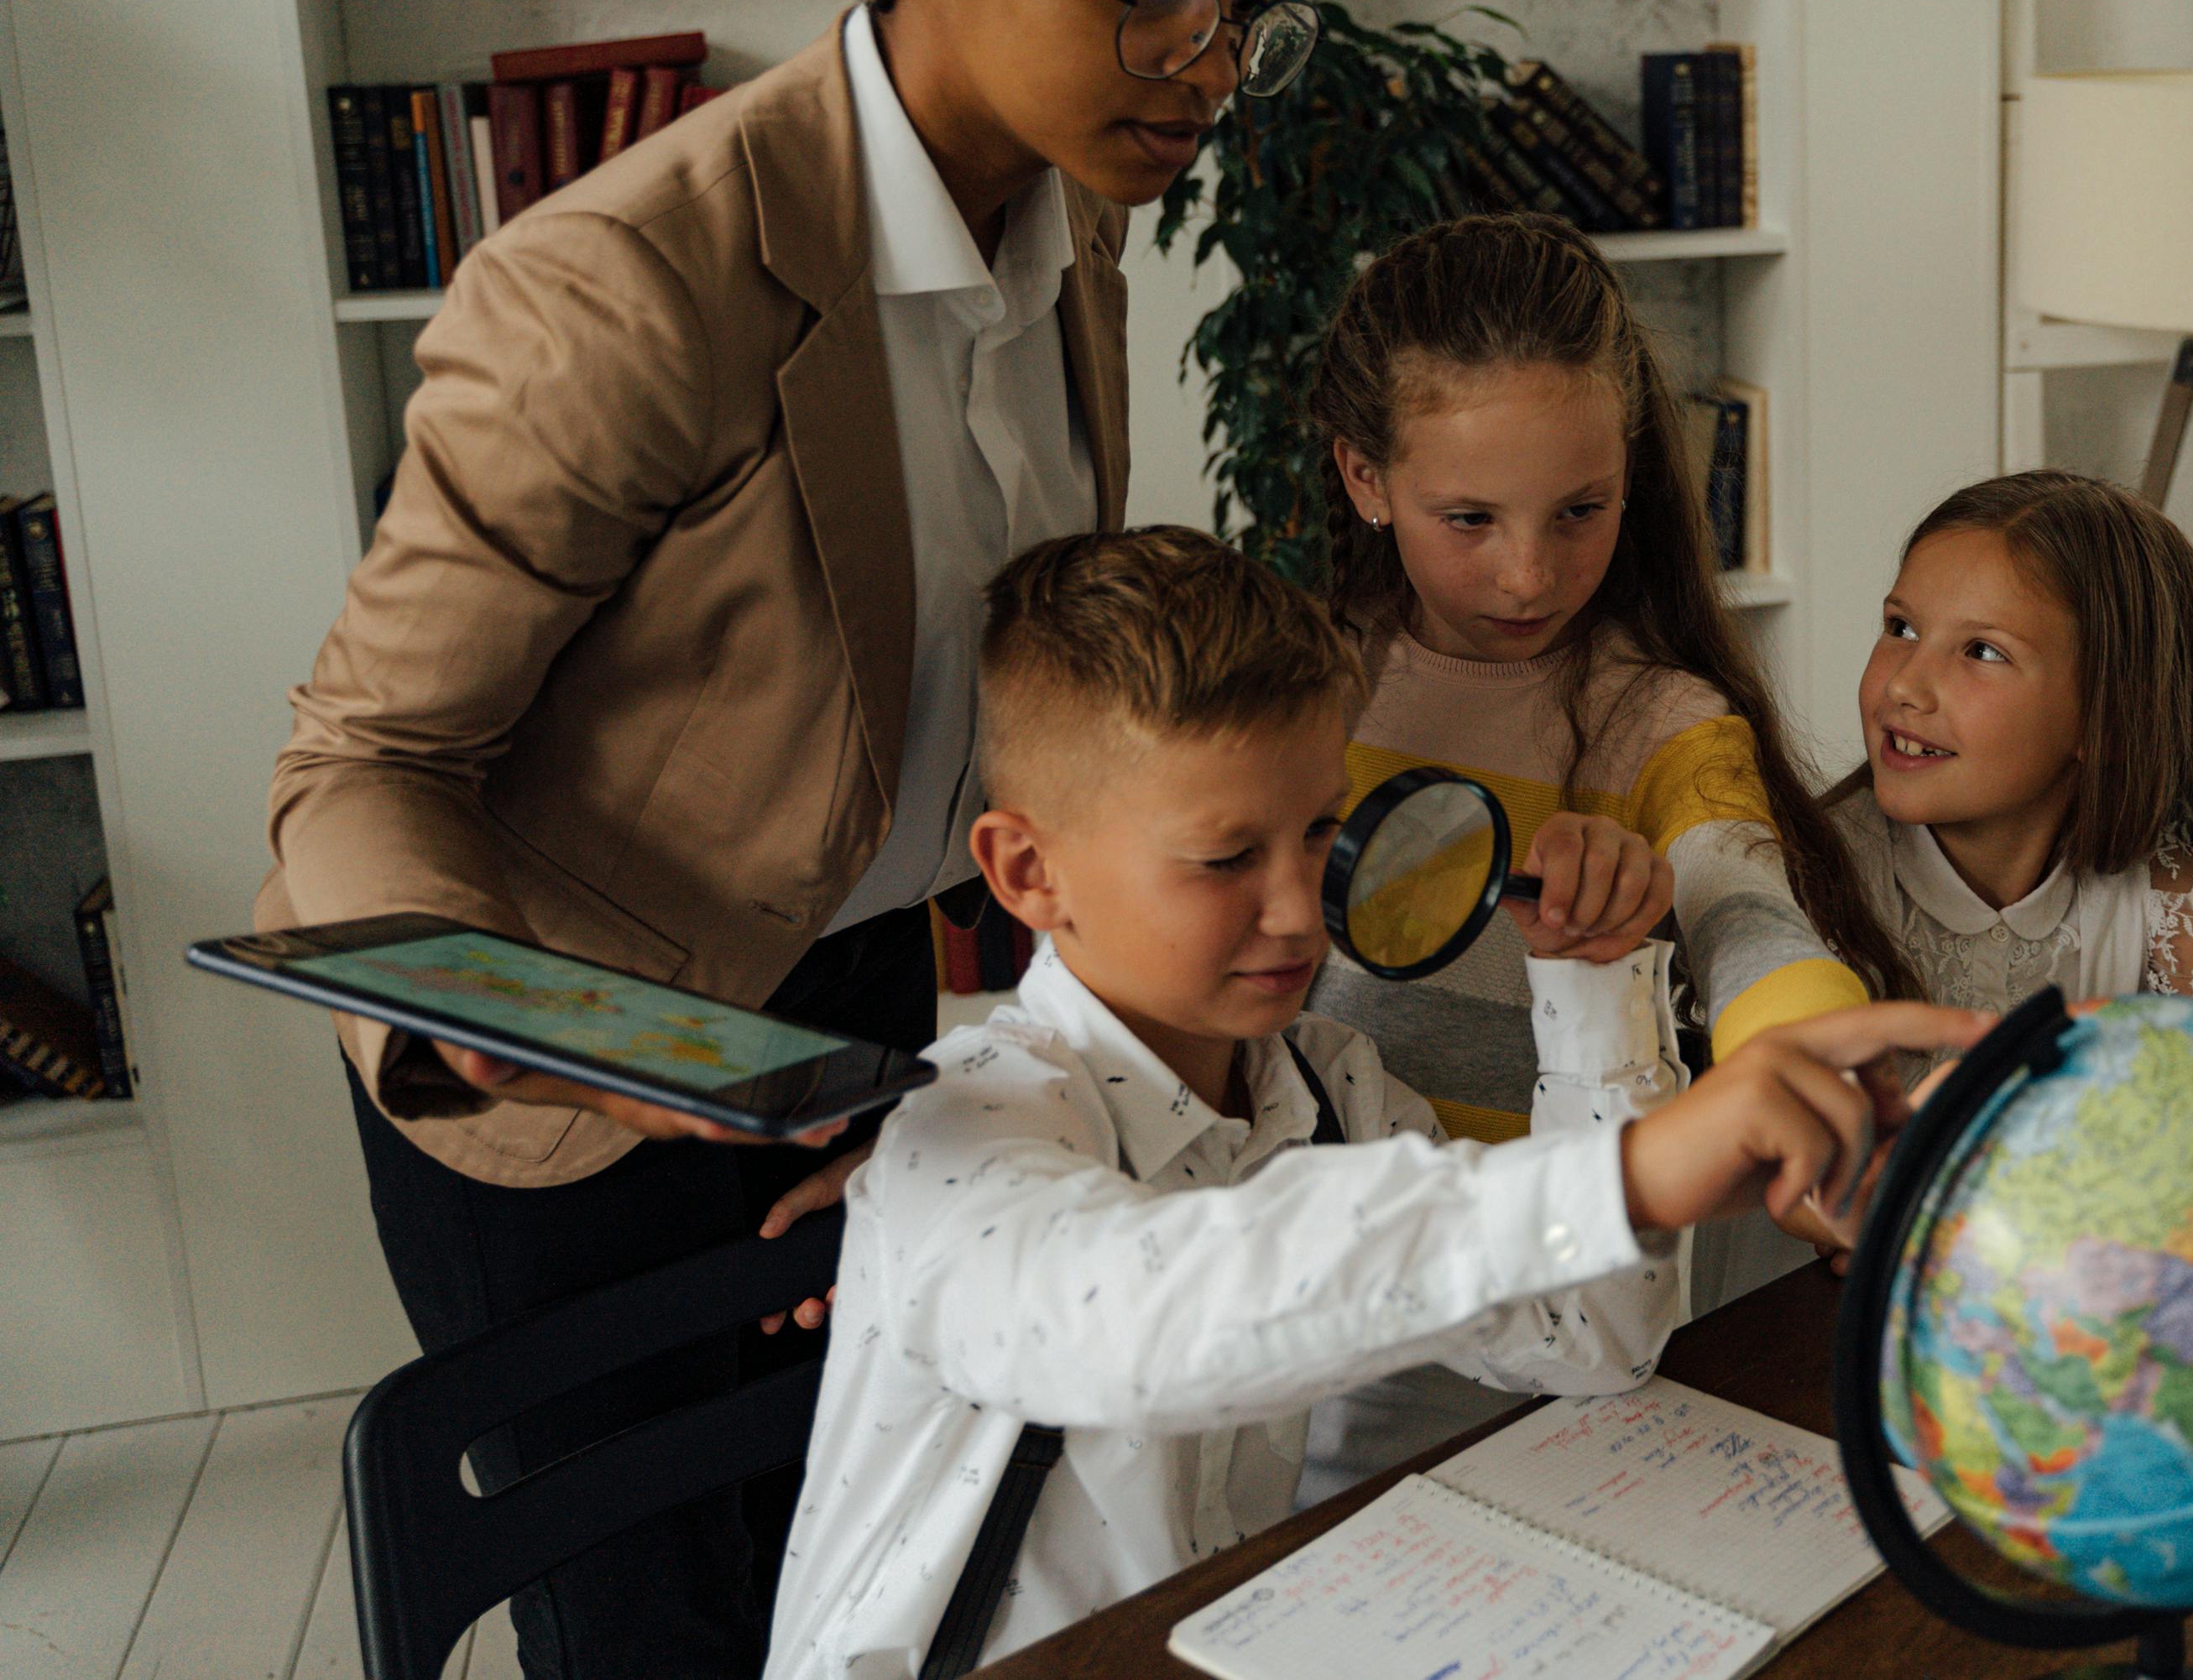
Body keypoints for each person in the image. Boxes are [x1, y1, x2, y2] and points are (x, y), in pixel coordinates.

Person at [261, 0, 1317, 1677]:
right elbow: (362, 761)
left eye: (1241, 3)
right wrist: (493, 1017)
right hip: (585, 1076)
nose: (1208, 59)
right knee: (654, 1635)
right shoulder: (627, 287)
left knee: (878, 1593)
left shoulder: (1075, 227)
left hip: (860, 1025)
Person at [764, 529, 1986, 1677]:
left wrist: (1590, 979)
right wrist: (1632, 1173)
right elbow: (1153, 1318)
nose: (1301, 910)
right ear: (1029, 871)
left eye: (1319, 832)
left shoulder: (1324, 1081)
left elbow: (1592, 1339)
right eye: (1226, 859)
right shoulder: (955, 1141)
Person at [1292, 211, 1905, 1490]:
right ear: (1363, 476)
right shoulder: (1292, 691)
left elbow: (1745, 908)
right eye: (1470, 516)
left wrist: (1811, 1053)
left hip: (1566, 1308)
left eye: (1581, 510)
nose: (1530, 573)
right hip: (1317, 1290)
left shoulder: (1661, 722)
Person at [1833, 471, 2193, 1136]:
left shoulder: (2152, 893)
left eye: (1982, 650)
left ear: (2105, 717)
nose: (1905, 685)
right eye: (1902, 627)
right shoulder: (1812, 878)